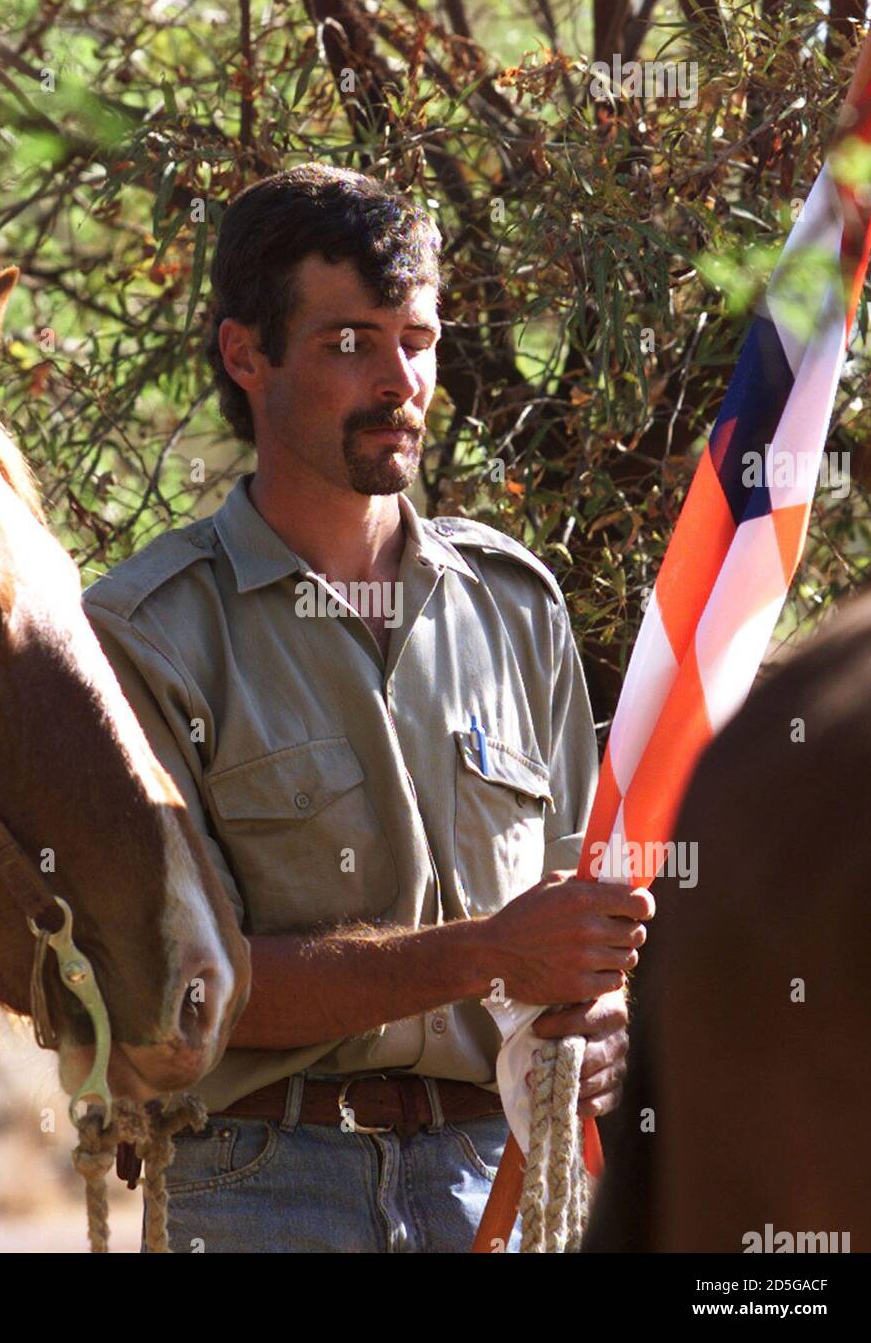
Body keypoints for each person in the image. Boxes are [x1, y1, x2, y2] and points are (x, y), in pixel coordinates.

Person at [82, 162, 653, 1253]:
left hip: (506, 1173)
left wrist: (602, 1022)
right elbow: (181, 998)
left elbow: (585, 922)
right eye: (353, 342)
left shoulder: (516, 606)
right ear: (246, 353)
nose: (400, 380)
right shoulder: (143, 636)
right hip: (259, 1182)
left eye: (419, 340)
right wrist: (490, 953)